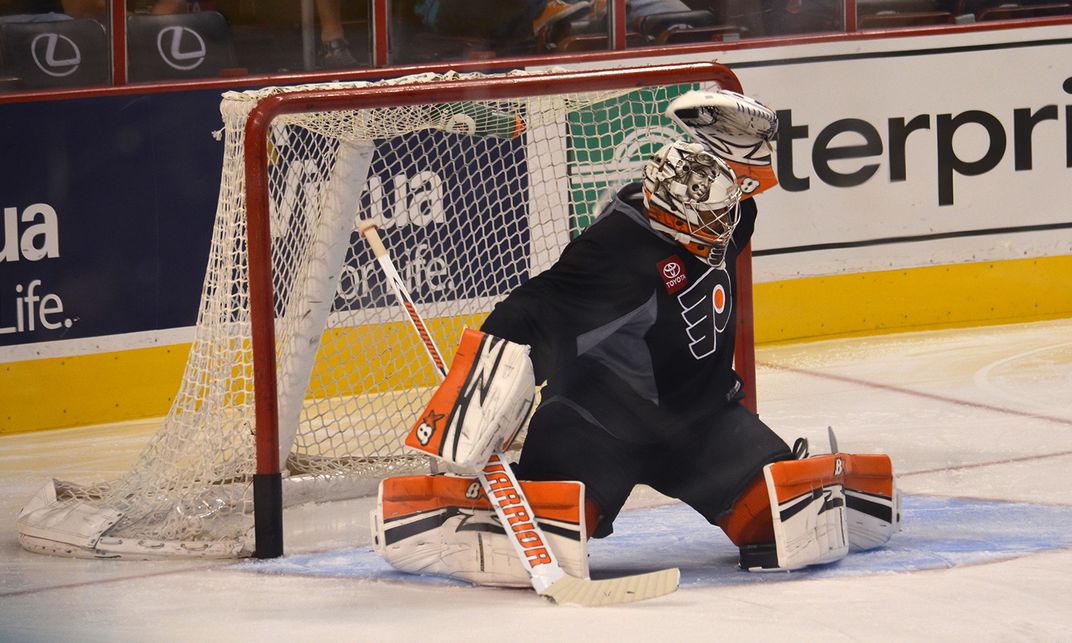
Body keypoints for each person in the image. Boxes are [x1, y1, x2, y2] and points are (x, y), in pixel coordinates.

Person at [374, 90, 900, 585]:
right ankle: (470, 508)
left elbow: (749, 185)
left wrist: (743, 145)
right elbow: (533, 308)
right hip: (599, 421)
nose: (724, 229)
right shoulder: (617, 252)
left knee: (774, 519)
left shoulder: (730, 213)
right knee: (558, 525)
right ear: (672, 217)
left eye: (727, 211)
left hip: (702, 420)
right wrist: (472, 401)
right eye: (712, 219)